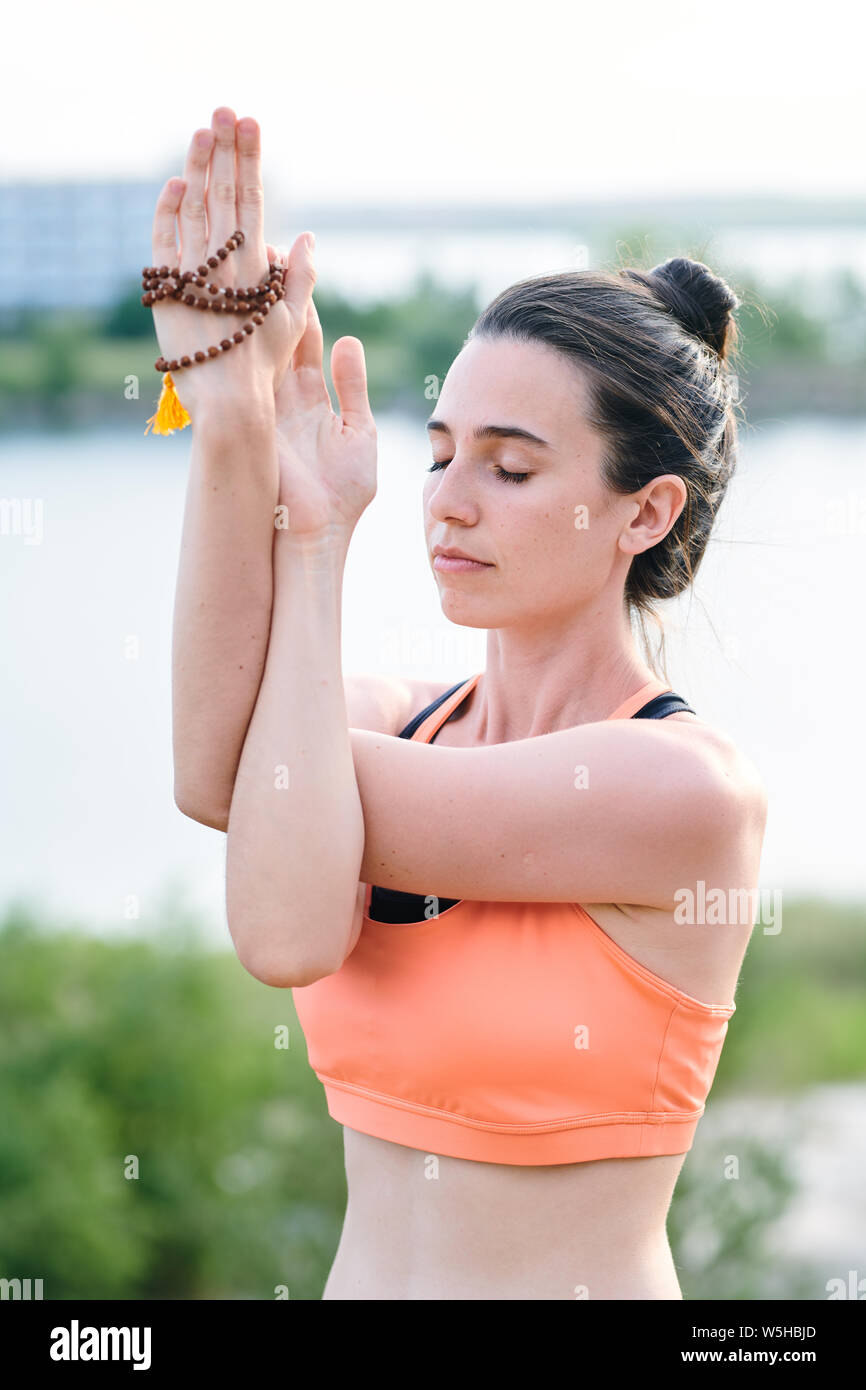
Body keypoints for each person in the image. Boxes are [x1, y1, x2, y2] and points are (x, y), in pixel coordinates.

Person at [157, 107, 768, 1301]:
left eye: (512, 464)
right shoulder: (395, 721)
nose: (447, 500)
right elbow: (212, 766)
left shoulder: (677, 789)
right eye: (439, 451)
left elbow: (276, 903)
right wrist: (227, 420)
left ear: (641, 513)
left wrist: (316, 552)